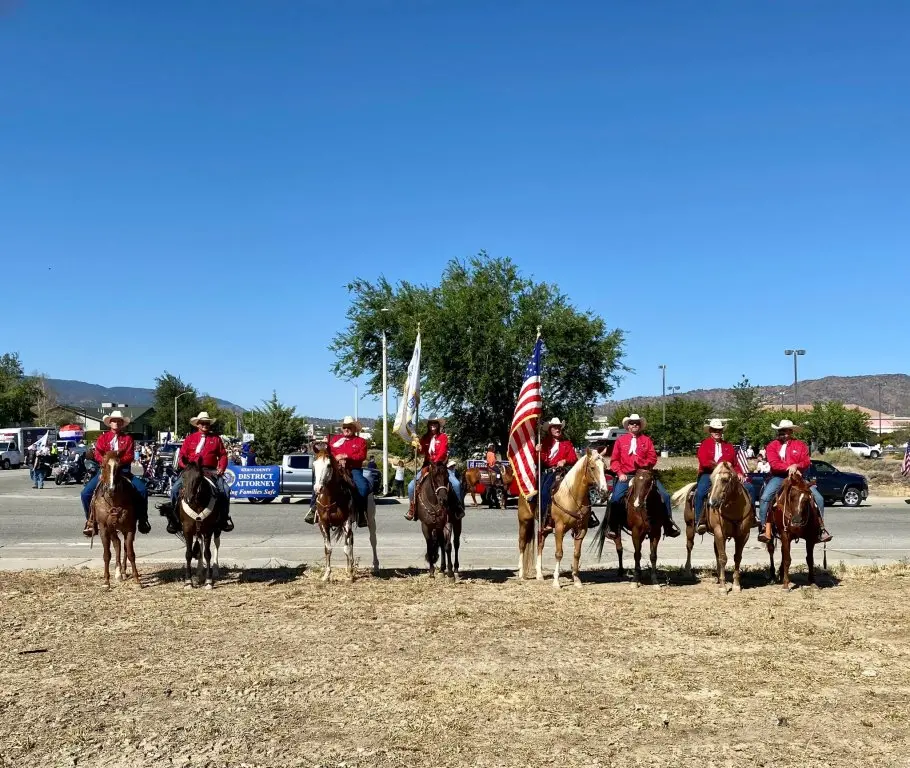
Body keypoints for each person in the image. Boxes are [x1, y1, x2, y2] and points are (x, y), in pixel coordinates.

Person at [758, 420, 831, 544]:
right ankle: (765, 528)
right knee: (765, 498)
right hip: (779, 477)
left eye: (784, 431)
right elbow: (774, 463)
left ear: (791, 432)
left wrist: (796, 466)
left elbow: (806, 461)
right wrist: (789, 467)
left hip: (798, 477)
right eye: (780, 431)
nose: (782, 433)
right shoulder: (772, 446)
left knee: (819, 498)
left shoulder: (800, 445)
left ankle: (820, 528)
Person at [607, 413, 680, 539]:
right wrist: (620, 473)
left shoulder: (646, 440)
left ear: (640, 426)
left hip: (645, 474)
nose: (634, 425)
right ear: (628, 426)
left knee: (665, 495)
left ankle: (668, 525)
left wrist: (642, 464)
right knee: (615, 498)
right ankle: (613, 527)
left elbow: (652, 458)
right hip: (627, 475)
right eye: (632, 423)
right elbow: (614, 460)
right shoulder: (620, 441)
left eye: (637, 423)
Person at [159, 412, 232, 534]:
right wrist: (186, 467)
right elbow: (182, 456)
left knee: (225, 490)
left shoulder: (216, 439)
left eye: (207, 423)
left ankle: (223, 518)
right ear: (197, 424)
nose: (205, 425)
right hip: (191, 470)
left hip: (210, 470)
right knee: (175, 489)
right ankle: (174, 519)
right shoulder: (190, 438)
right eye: (202, 423)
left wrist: (221, 468)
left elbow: (223, 455)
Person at [80, 410, 150, 536]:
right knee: (85, 493)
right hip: (105, 471)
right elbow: (97, 453)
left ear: (122, 424)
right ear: (110, 423)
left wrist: (118, 462)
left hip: (123, 471)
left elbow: (130, 455)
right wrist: (106, 462)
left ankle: (142, 519)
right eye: (114, 421)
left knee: (142, 489)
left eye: (119, 421)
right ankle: (91, 521)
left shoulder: (127, 439)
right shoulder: (103, 438)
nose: (116, 423)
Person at [305, 416, 370, 526]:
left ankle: (361, 513)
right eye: (344, 427)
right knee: (320, 482)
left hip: (353, 469)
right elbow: (328, 453)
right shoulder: (335, 439)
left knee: (363, 487)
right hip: (336, 468)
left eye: (349, 427)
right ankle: (313, 509)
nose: (346, 429)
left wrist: (346, 456)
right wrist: (335, 457)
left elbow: (362, 456)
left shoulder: (361, 441)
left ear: (354, 428)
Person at [535, 417, 599, 529]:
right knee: (544, 492)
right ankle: (545, 519)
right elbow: (540, 461)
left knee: (583, 487)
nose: (557, 429)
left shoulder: (567, 443)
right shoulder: (543, 443)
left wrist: (565, 460)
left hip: (564, 471)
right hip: (550, 472)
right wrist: (537, 452)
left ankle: (587, 516)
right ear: (550, 429)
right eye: (555, 427)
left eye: (559, 427)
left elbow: (573, 458)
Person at [693, 419, 752, 534]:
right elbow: (704, 462)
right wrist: (720, 465)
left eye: (719, 430)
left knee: (748, 488)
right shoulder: (704, 444)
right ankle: (700, 520)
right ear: (710, 431)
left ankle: (751, 517)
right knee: (701, 492)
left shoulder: (728, 446)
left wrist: (739, 473)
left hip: (727, 474)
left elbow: (735, 463)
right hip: (708, 473)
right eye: (714, 430)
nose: (717, 432)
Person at [405, 417, 464, 520]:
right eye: (431, 423)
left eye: (435, 423)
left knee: (456, 484)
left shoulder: (443, 437)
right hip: (427, 466)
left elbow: (443, 451)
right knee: (411, 486)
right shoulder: (424, 438)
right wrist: (416, 447)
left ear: (438, 425)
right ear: (428, 425)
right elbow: (422, 451)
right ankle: (413, 508)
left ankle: (458, 508)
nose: (433, 425)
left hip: (440, 466)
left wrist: (435, 462)